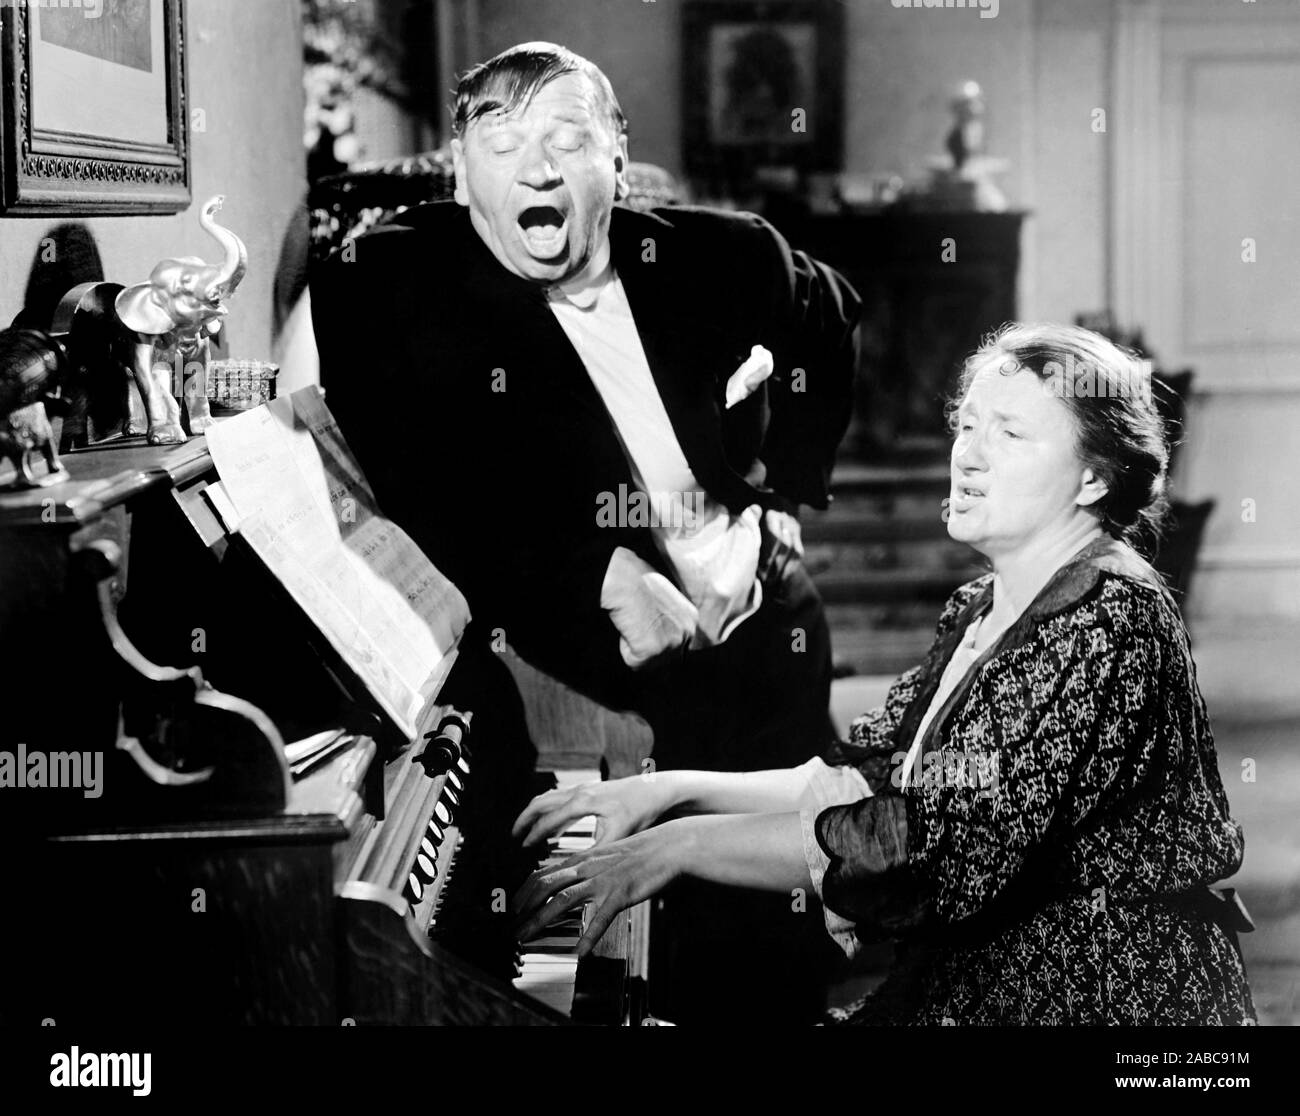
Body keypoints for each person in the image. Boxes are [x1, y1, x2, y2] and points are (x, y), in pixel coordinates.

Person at [310, 41, 861, 1022]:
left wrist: (778, 486)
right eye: (502, 139)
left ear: (615, 154)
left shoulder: (717, 253)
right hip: (615, 662)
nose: (536, 167)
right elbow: (430, 492)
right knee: (696, 942)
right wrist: (596, 571)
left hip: (773, 618)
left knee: (787, 920)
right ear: (458, 164)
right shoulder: (396, 283)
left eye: (568, 139)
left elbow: (827, 310)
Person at [512, 323, 1257, 1025]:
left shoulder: (1107, 618)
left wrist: (673, 850)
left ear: (1093, 479)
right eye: (967, 425)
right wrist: (666, 790)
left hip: (1101, 996)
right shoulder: (986, 605)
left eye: (1010, 434)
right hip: (987, 980)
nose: (968, 454)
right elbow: (881, 775)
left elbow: (922, 843)